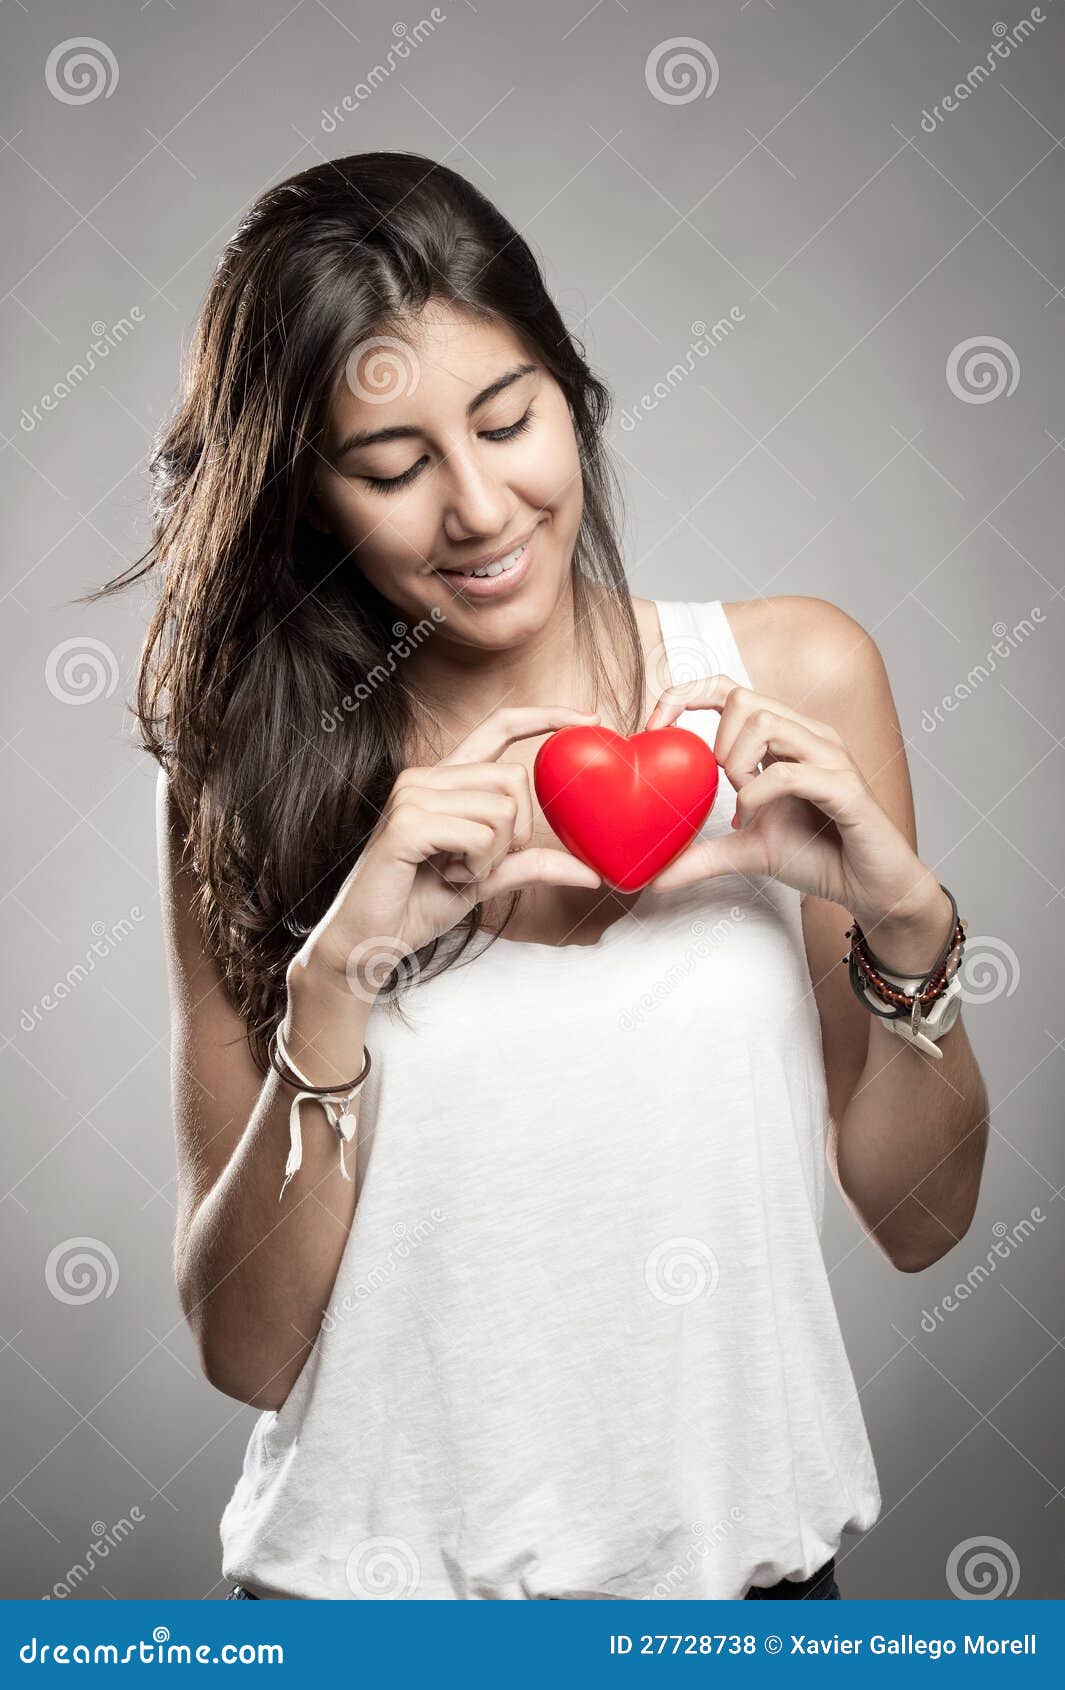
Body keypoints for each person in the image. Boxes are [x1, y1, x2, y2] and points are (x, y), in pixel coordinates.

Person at [94, 152, 989, 1600]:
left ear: (572, 396)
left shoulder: (796, 676)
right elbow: (246, 1350)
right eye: (392, 468)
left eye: (508, 421)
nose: (478, 507)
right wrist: (336, 977)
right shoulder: (243, 778)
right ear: (307, 498)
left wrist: (907, 927)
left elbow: (922, 1219)